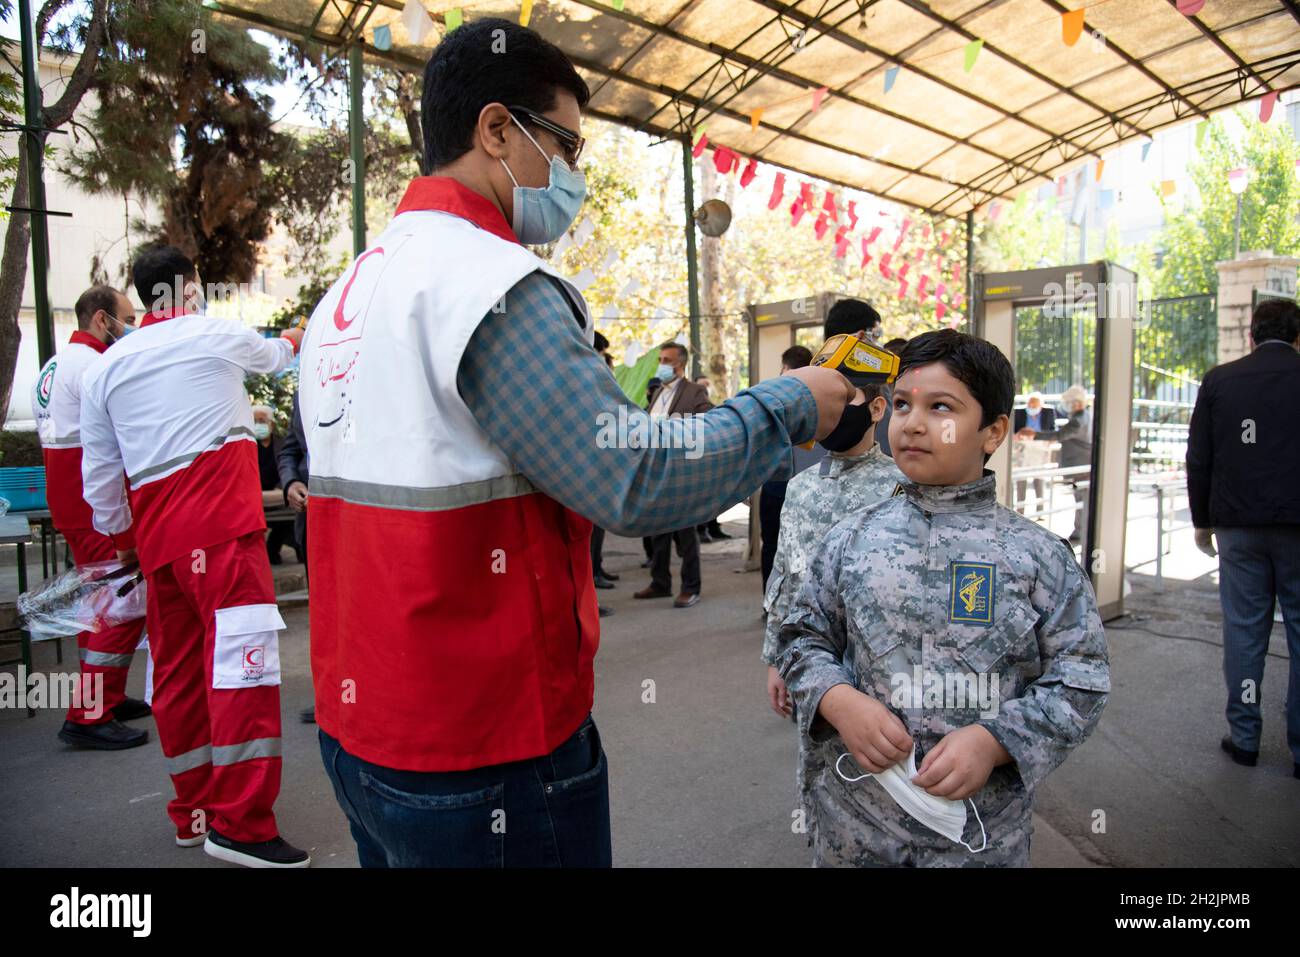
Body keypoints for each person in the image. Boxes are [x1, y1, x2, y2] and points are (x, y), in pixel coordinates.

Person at [297, 18, 854, 869]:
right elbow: (633, 475)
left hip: (364, 733)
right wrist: (785, 405)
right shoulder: (486, 283)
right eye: (565, 146)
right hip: (484, 751)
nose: (575, 177)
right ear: (495, 130)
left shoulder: (358, 286)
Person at [778, 330, 1109, 867]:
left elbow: (1082, 678)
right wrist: (840, 701)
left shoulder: (1037, 556)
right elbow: (800, 638)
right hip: (855, 828)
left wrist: (997, 740)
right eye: (903, 404)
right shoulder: (850, 538)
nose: (911, 422)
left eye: (941, 408)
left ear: (993, 431)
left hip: (979, 839)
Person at [80, 244, 309, 868]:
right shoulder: (214, 334)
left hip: (158, 546)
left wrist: (127, 540)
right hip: (223, 536)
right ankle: (242, 827)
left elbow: (99, 482)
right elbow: (283, 354)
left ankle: (195, 814)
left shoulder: (107, 367)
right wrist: (298, 332)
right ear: (190, 287)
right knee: (244, 671)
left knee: (176, 676)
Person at [760, 377, 904, 832]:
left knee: (888, 781)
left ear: (877, 409)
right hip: (814, 663)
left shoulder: (904, 487)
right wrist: (775, 659)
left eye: (847, 400)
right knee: (822, 770)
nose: (834, 412)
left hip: (884, 672)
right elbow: (785, 576)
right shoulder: (800, 487)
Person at [31, 284, 151, 750]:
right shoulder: (96, 366)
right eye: (126, 317)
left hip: (68, 494)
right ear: (102, 319)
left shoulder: (58, 362)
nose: (131, 326)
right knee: (121, 603)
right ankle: (89, 711)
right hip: (91, 499)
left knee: (99, 601)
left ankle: (108, 695)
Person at [1186, 298, 1300, 778]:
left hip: (1237, 527)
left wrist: (1202, 520)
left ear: (1251, 335)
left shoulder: (1219, 380)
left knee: (1245, 629)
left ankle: (1246, 737)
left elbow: (1199, 456)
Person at [636, 341, 712, 608]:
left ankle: (691, 587)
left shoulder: (695, 391)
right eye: (660, 359)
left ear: (680, 364)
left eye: (666, 360)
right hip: (656, 468)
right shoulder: (656, 391)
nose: (661, 365)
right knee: (658, 529)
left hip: (681, 469)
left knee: (685, 530)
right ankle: (660, 582)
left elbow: (707, 423)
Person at [759, 345, 821, 592]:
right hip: (808, 484)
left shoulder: (769, 396)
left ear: (784, 367)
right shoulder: (819, 397)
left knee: (773, 545)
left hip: (776, 484)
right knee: (805, 546)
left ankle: (769, 599)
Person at [276, 390, 316, 724]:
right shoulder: (307, 389)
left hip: (356, 516)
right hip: (312, 520)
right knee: (322, 612)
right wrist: (290, 482)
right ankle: (333, 694)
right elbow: (289, 449)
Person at [1020, 384, 1091, 543]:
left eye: (1069, 402)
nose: (1067, 406)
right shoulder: (1083, 416)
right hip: (1081, 463)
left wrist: (1035, 435)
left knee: (1082, 499)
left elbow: (1060, 434)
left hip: (1080, 464)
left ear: (1077, 403)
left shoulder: (1079, 420)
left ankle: (1080, 531)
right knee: (1080, 499)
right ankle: (1079, 530)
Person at [253, 404, 298, 566]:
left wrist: (281, 486)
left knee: (289, 513)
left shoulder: (281, 444)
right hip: (256, 495)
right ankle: (272, 551)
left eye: (262, 421)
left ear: (271, 424)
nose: (258, 425)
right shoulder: (250, 447)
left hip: (279, 493)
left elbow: (287, 466)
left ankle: (273, 549)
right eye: (255, 421)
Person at [1012, 392, 1055, 514]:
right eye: (1029, 405)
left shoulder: (1048, 412)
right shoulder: (1019, 412)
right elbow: (1013, 431)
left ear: (1040, 405)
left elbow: (1052, 430)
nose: (1031, 407)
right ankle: (1020, 510)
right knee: (1021, 479)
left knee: (1039, 479)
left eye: (1034, 405)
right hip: (1023, 448)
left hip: (1040, 448)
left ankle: (1040, 510)